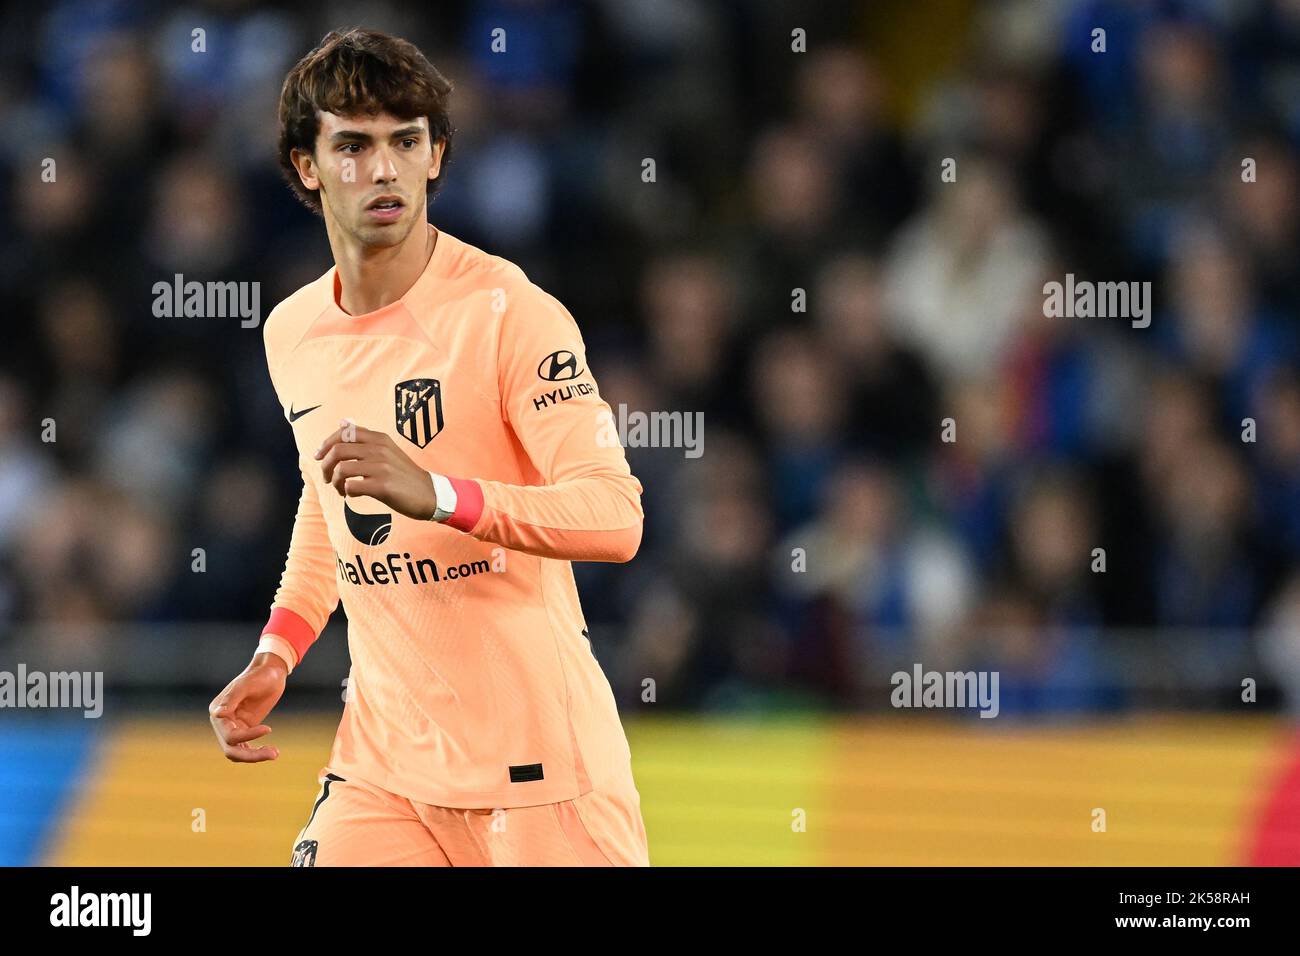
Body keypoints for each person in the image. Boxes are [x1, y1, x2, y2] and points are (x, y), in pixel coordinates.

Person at [207, 28, 648, 867]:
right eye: (354, 145)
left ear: (436, 156)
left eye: (406, 141)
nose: (383, 169)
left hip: (541, 775)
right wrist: (280, 647)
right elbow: (328, 496)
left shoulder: (512, 312)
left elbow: (615, 515)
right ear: (307, 166)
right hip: (384, 769)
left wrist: (441, 494)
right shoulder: (292, 331)